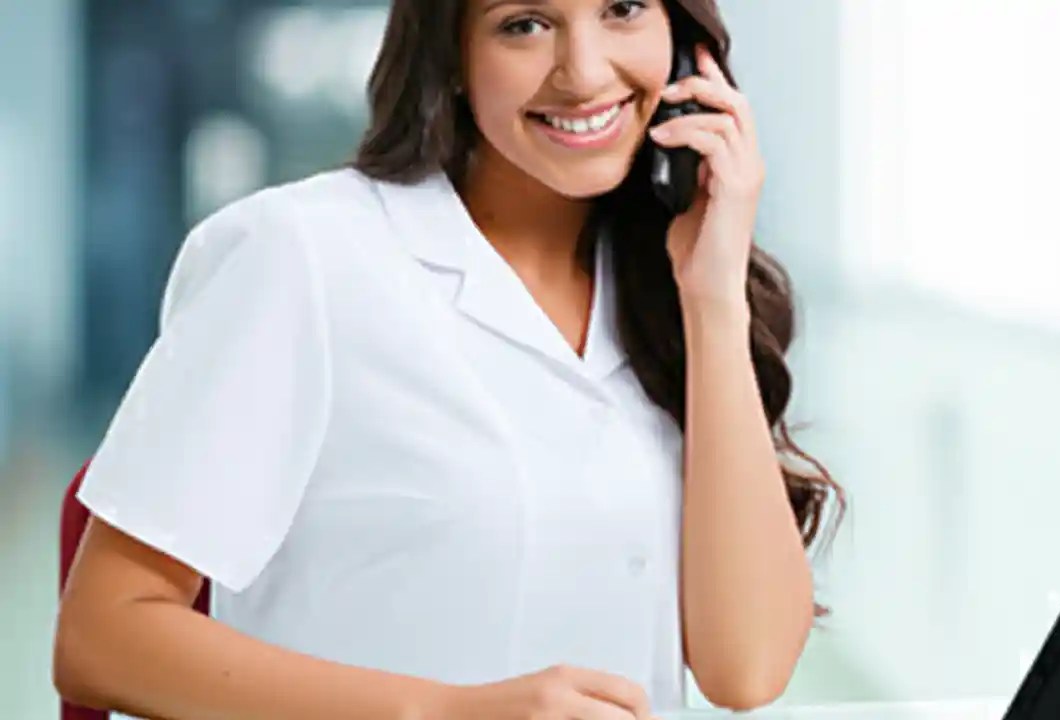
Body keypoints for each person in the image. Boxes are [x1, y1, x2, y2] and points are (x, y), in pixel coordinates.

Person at [54, 0, 846, 717]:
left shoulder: (668, 285)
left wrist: (713, 303)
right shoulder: (300, 254)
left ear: (683, 50)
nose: (585, 73)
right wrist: (443, 713)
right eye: (525, 24)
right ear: (452, 56)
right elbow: (102, 636)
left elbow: (746, 672)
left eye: (624, 10)